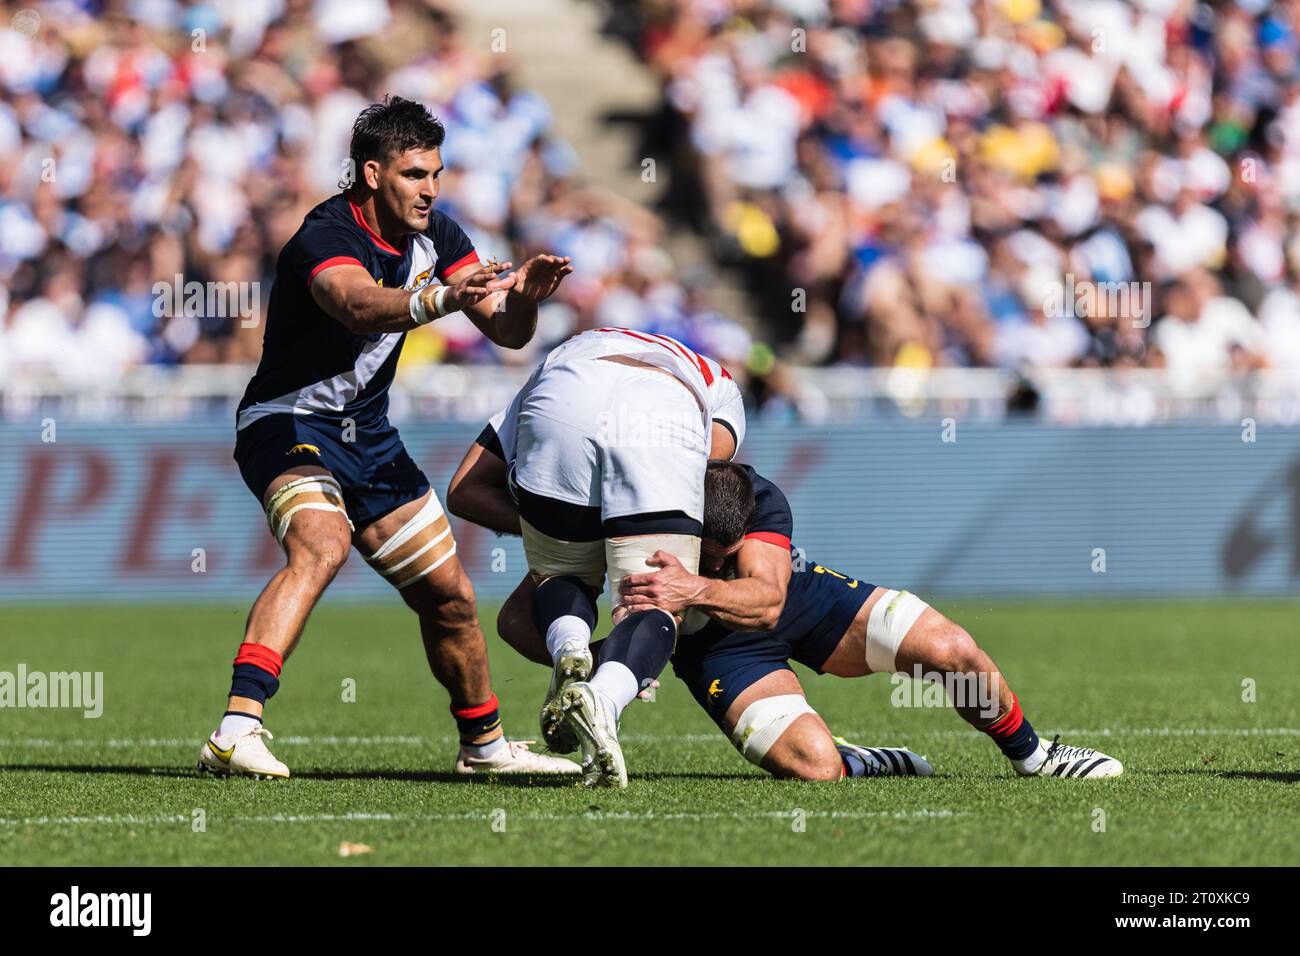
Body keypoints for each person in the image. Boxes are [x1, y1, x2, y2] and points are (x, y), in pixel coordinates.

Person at [197, 96, 577, 779]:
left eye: (436, 172)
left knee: (452, 598)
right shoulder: (325, 232)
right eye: (413, 174)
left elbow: (509, 333)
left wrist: (523, 298)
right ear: (372, 174)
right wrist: (442, 300)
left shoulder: (441, 236)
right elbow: (354, 302)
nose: (430, 188)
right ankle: (237, 727)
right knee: (322, 544)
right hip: (288, 421)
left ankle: (484, 748)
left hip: (368, 436)